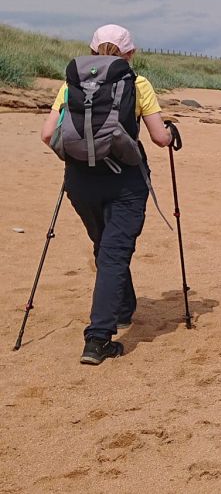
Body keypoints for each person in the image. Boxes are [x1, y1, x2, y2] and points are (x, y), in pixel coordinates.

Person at [39, 24, 173, 365]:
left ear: (92, 50)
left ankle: (123, 308)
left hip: (80, 181)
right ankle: (98, 338)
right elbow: (159, 138)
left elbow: (47, 134)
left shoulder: (70, 83)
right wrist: (172, 133)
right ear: (129, 53)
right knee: (114, 253)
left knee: (106, 246)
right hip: (124, 180)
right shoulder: (137, 83)